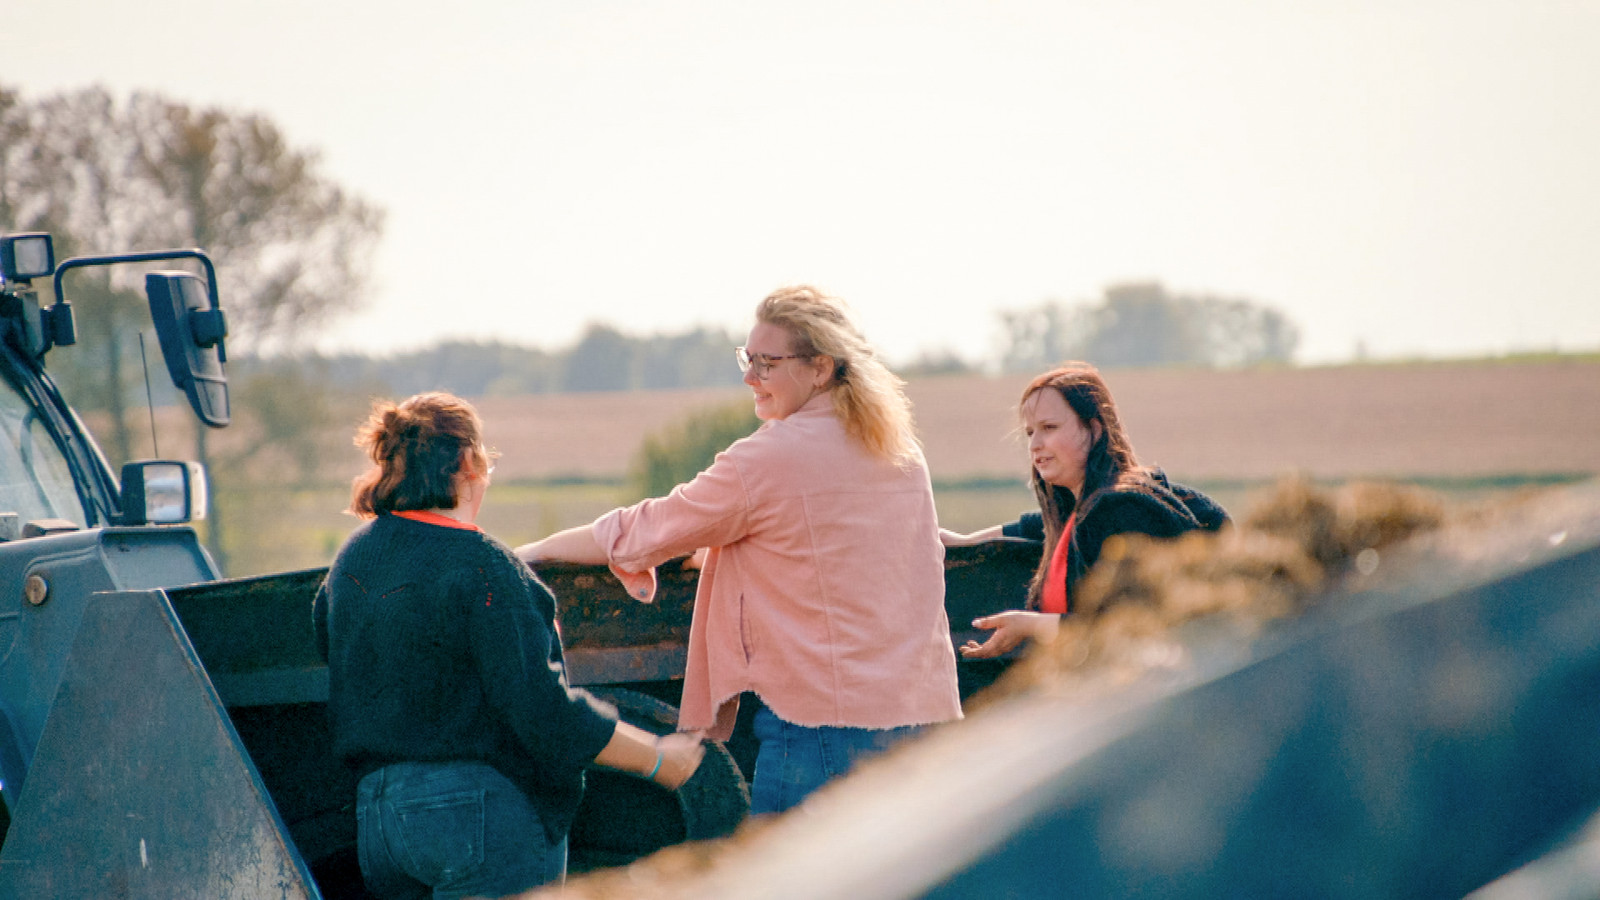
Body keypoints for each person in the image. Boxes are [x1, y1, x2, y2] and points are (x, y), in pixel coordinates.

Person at [517, 285, 962, 815]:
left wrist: (529, 553)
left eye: (767, 364)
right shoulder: (901, 452)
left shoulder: (769, 458)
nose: (749, 377)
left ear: (820, 367)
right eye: (746, 359)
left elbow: (646, 529)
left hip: (824, 731)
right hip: (923, 718)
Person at [313, 392, 705, 900]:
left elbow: (331, 644)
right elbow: (543, 711)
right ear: (472, 462)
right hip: (478, 818)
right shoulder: (485, 566)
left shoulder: (351, 560)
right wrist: (657, 757)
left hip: (380, 825)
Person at [942, 362, 1229, 659]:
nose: (1035, 444)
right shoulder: (1077, 513)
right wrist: (962, 542)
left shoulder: (1122, 510)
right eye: (1030, 433)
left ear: (1093, 429)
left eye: (1049, 428)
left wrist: (1034, 626)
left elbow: (1129, 627)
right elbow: (1031, 527)